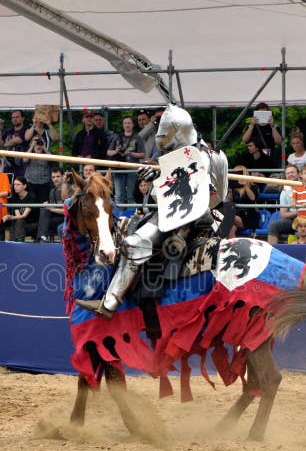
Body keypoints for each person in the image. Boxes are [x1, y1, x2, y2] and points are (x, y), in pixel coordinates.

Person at [75, 104, 228, 319]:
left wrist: (160, 177)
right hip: (188, 213)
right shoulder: (202, 154)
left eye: (170, 147)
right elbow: (163, 193)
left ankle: (108, 303)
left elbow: (203, 196)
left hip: (196, 216)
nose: (168, 152)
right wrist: (156, 175)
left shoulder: (203, 157)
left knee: (133, 243)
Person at [107, 115, 145, 205]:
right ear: (123, 125)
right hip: (118, 168)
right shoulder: (117, 137)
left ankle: (131, 216)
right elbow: (108, 152)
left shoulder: (137, 138)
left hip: (131, 168)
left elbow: (142, 154)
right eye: (125, 123)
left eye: (129, 123)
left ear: (132, 125)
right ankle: (118, 217)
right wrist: (116, 151)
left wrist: (130, 153)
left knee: (131, 195)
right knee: (119, 195)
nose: (127, 125)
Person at [267, 164, 300, 245]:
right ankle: (272, 253)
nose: (290, 175)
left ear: (299, 174)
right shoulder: (284, 191)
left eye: (292, 172)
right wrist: (298, 213)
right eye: (288, 173)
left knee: (305, 224)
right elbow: (283, 214)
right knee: (273, 226)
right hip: (294, 219)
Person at [2, 176, 39, 242]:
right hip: (20, 225)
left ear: (24, 186)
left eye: (18, 184)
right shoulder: (15, 198)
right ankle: (13, 243)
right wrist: (11, 217)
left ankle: (19, 243)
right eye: (14, 184)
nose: (15, 186)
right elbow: (18, 216)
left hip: (33, 225)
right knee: (16, 221)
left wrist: (9, 217)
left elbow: (24, 215)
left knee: (18, 221)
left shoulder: (31, 197)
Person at [36, 168, 67, 242]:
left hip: (67, 218)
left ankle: (41, 236)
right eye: (53, 177)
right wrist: (47, 206)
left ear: (63, 176)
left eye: (58, 176)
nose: (55, 179)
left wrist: (51, 209)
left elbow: (68, 211)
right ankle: (42, 238)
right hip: (57, 218)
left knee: (42, 224)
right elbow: (52, 208)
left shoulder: (70, 189)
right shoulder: (52, 191)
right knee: (44, 209)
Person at [23, 137, 55, 203]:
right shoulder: (29, 153)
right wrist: (32, 146)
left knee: (43, 205)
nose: (38, 145)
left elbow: (52, 160)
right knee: (31, 204)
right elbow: (25, 159)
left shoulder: (47, 154)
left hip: (44, 184)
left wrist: (44, 147)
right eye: (36, 143)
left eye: (40, 143)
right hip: (30, 183)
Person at [0, 110, 27, 177]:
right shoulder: (8, 131)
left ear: (23, 118)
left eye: (17, 117)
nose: (15, 119)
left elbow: (17, 140)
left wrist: (5, 144)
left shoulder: (26, 130)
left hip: (22, 167)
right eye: (13, 117)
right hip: (8, 166)